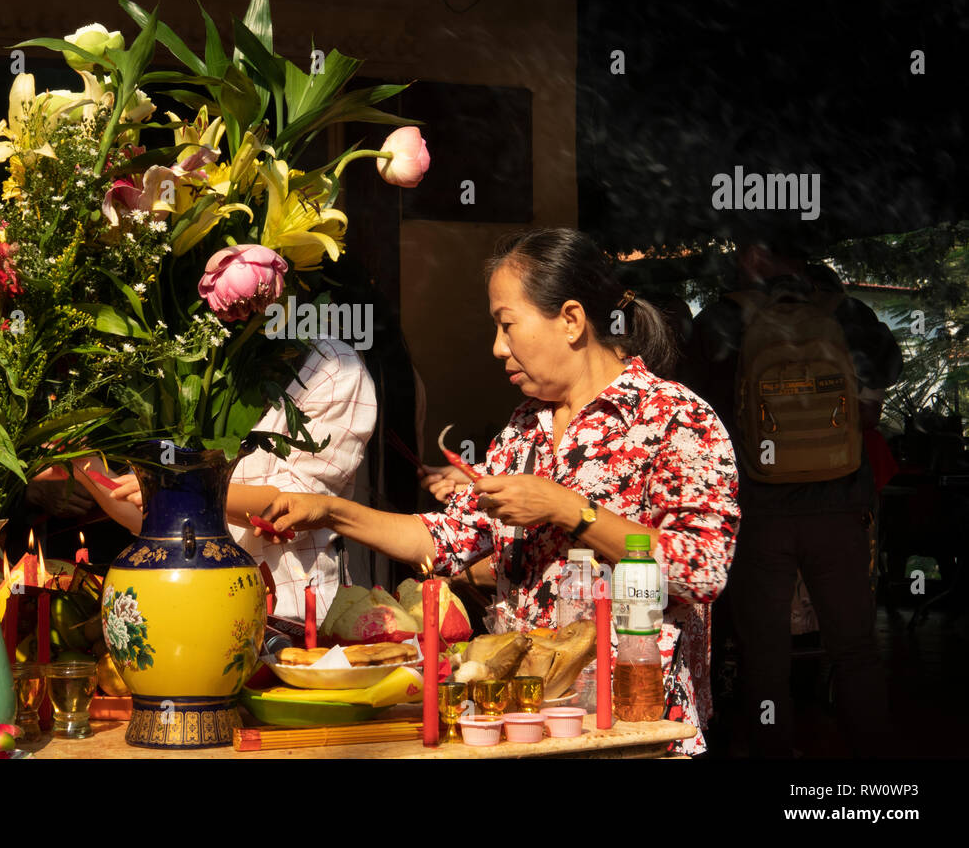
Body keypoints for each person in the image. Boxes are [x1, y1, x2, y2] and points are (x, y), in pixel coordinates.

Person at [262, 228, 741, 755]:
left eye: (506, 325)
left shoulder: (677, 419)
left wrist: (566, 508)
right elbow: (445, 540)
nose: (497, 348)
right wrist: (332, 511)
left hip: (634, 722)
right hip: (525, 721)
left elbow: (701, 568)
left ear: (572, 320)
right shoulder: (523, 429)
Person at [682, 239, 902, 757]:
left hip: (758, 512)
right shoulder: (841, 310)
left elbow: (694, 408)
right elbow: (888, 366)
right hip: (840, 503)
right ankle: (875, 766)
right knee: (855, 650)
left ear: (754, 255)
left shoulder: (723, 318)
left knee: (765, 659)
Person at [90, 336, 378, 622]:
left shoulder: (333, 365)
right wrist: (82, 466)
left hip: (291, 620)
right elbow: (151, 520)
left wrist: (185, 489)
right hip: (194, 611)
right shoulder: (193, 361)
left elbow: (297, 504)